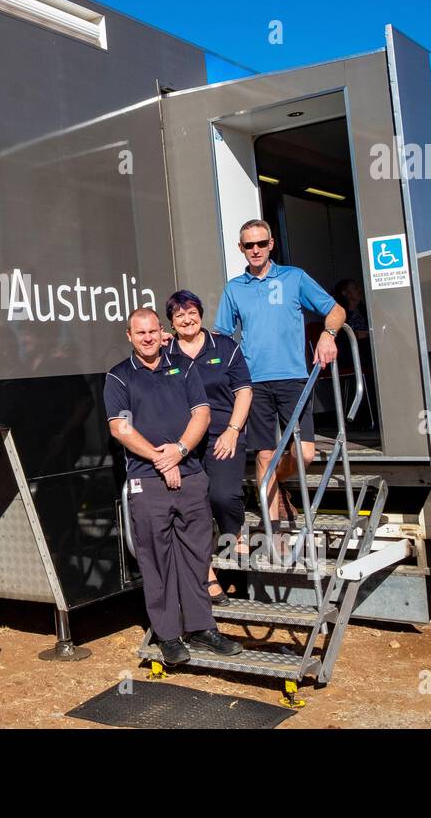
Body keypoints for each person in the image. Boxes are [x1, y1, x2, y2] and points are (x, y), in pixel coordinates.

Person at [104, 307, 243, 663]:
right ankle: (168, 636)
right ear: (129, 336)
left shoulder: (185, 367)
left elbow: (203, 413)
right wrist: (159, 459)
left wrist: (179, 452)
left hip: (191, 475)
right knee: (156, 561)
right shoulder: (119, 377)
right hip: (147, 481)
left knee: (197, 556)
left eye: (153, 331)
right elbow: (119, 427)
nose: (148, 338)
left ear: (161, 332)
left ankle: (202, 628)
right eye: (140, 333)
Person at [214, 220, 345, 529]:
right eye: (249, 245)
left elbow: (336, 310)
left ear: (272, 244)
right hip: (253, 383)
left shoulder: (294, 277)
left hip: (293, 378)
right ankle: (273, 533)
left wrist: (328, 334)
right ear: (241, 249)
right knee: (264, 456)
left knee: (306, 453)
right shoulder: (234, 288)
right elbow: (220, 336)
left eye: (261, 243)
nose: (256, 250)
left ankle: (272, 483)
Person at [163, 290, 252, 604]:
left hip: (222, 434)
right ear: (171, 323)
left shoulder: (224, 346)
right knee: (190, 507)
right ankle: (209, 577)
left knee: (222, 495)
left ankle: (235, 532)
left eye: (192, 313)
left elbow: (243, 392)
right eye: (179, 316)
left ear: (200, 314)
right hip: (185, 440)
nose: (187, 319)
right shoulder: (165, 352)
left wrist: (232, 430)